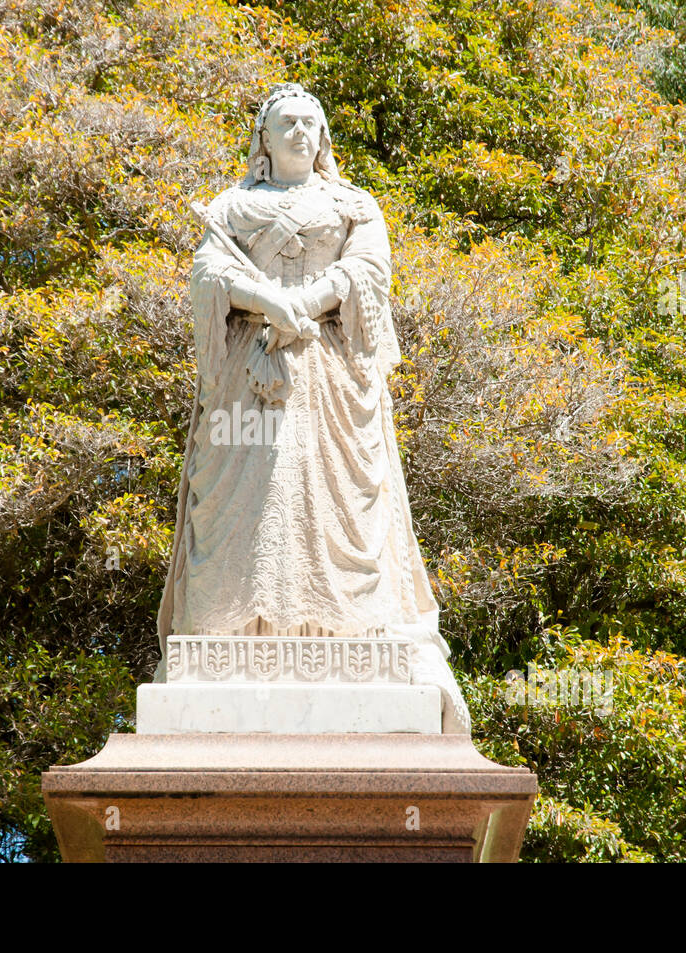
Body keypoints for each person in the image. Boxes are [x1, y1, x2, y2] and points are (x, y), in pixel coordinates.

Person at [155, 83, 470, 734]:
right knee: (251, 495)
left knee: (332, 493)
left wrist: (315, 297)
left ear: (324, 137)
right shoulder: (231, 206)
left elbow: (369, 272)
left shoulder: (353, 204)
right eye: (287, 123)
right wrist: (266, 301)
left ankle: (345, 629)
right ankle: (238, 635)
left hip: (330, 371)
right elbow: (207, 274)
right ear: (264, 139)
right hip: (253, 372)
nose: (300, 132)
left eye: (310, 122)